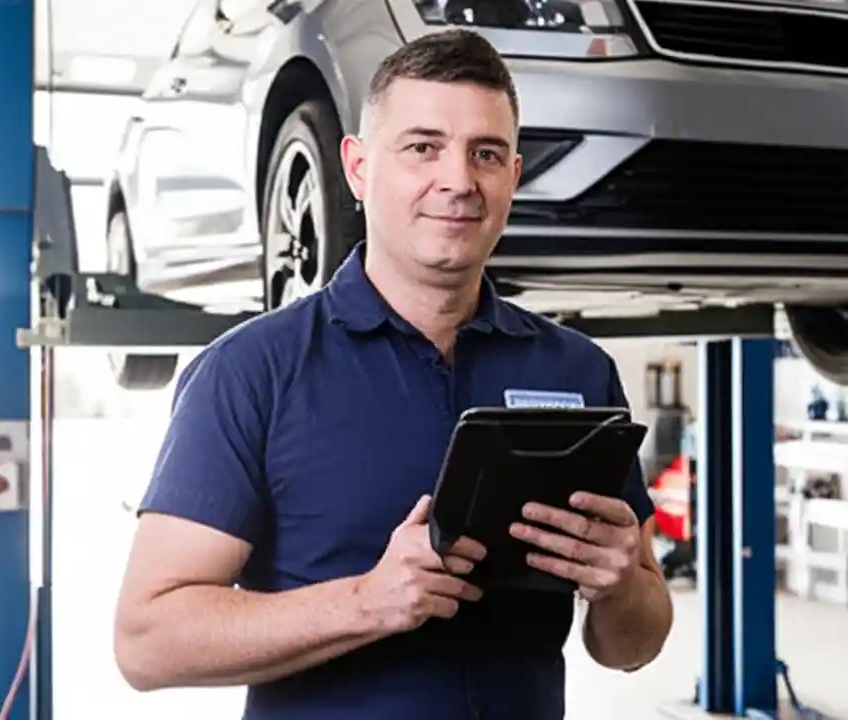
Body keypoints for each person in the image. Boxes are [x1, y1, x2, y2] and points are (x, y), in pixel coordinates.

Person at [112, 28, 673, 719]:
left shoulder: (579, 371)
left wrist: (623, 589)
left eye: (486, 154)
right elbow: (146, 642)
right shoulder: (251, 372)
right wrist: (366, 602)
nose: (459, 181)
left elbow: (630, 648)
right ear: (357, 167)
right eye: (423, 147)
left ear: (514, 177)